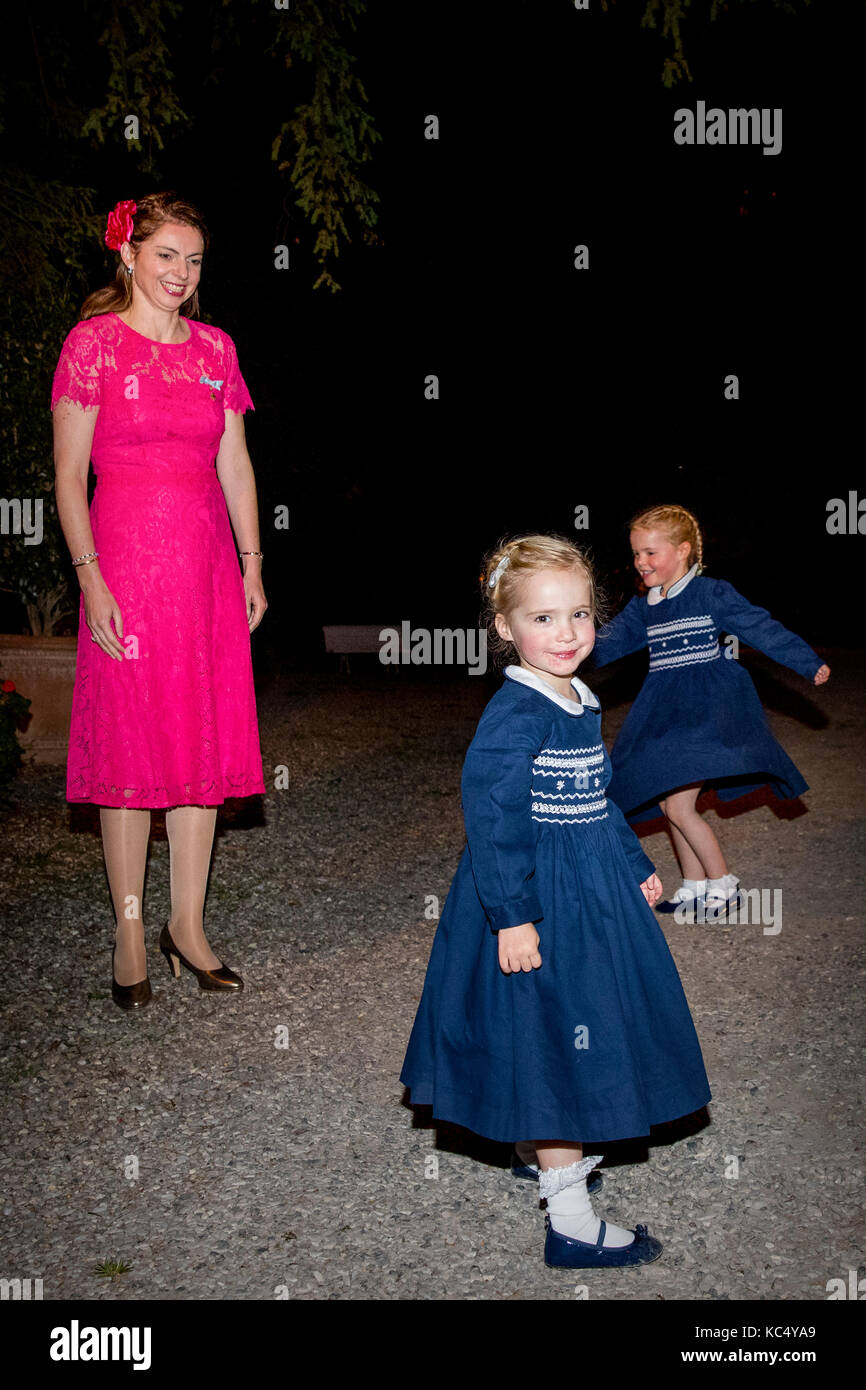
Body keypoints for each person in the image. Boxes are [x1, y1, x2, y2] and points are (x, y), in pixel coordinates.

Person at [400, 534, 711, 1269]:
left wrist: (634, 860)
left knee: (554, 1023)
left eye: (578, 614)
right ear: (505, 628)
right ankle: (570, 1220)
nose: (566, 633)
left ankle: (535, 1140)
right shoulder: (516, 716)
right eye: (542, 619)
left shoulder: (575, 696)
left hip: (588, 883)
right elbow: (493, 817)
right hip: (536, 895)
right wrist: (511, 915)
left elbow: (594, 796)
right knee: (559, 1034)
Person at [51, 192, 267, 1010]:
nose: (180, 273)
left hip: (206, 567)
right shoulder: (92, 345)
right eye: (166, 254)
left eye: (194, 259)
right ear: (129, 257)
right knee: (130, 755)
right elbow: (71, 478)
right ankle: (131, 929)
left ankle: (189, 925)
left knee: (198, 752)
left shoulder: (216, 349)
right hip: (126, 567)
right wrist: (91, 577)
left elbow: (236, 464)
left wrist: (251, 564)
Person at [592, 504, 829, 917]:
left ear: (682, 550)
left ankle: (724, 884)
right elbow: (607, 643)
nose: (640, 562)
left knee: (680, 806)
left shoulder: (710, 593)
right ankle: (694, 885)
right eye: (635, 554)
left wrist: (808, 662)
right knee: (668, 804)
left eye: (651, 552)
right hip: (663, 710)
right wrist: (563, 654)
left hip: (706, 707)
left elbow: (761, 627)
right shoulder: (645, 605)